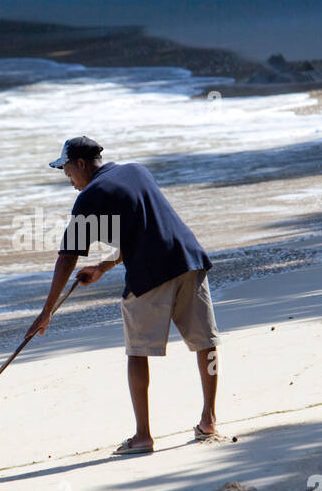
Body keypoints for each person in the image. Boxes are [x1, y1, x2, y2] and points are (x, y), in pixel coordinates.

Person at [25, 136, 220, 455]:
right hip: (189, 258)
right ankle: (209, 420)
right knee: (206, 342)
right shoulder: (137, 171)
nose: (69, 180)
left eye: (68, 172)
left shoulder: (90, 197)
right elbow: (147, 229)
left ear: (82, 164)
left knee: (137, 351)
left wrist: (46, 312)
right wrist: (105, 265)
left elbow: (68, 257)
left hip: (150, 274)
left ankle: (143, 436)